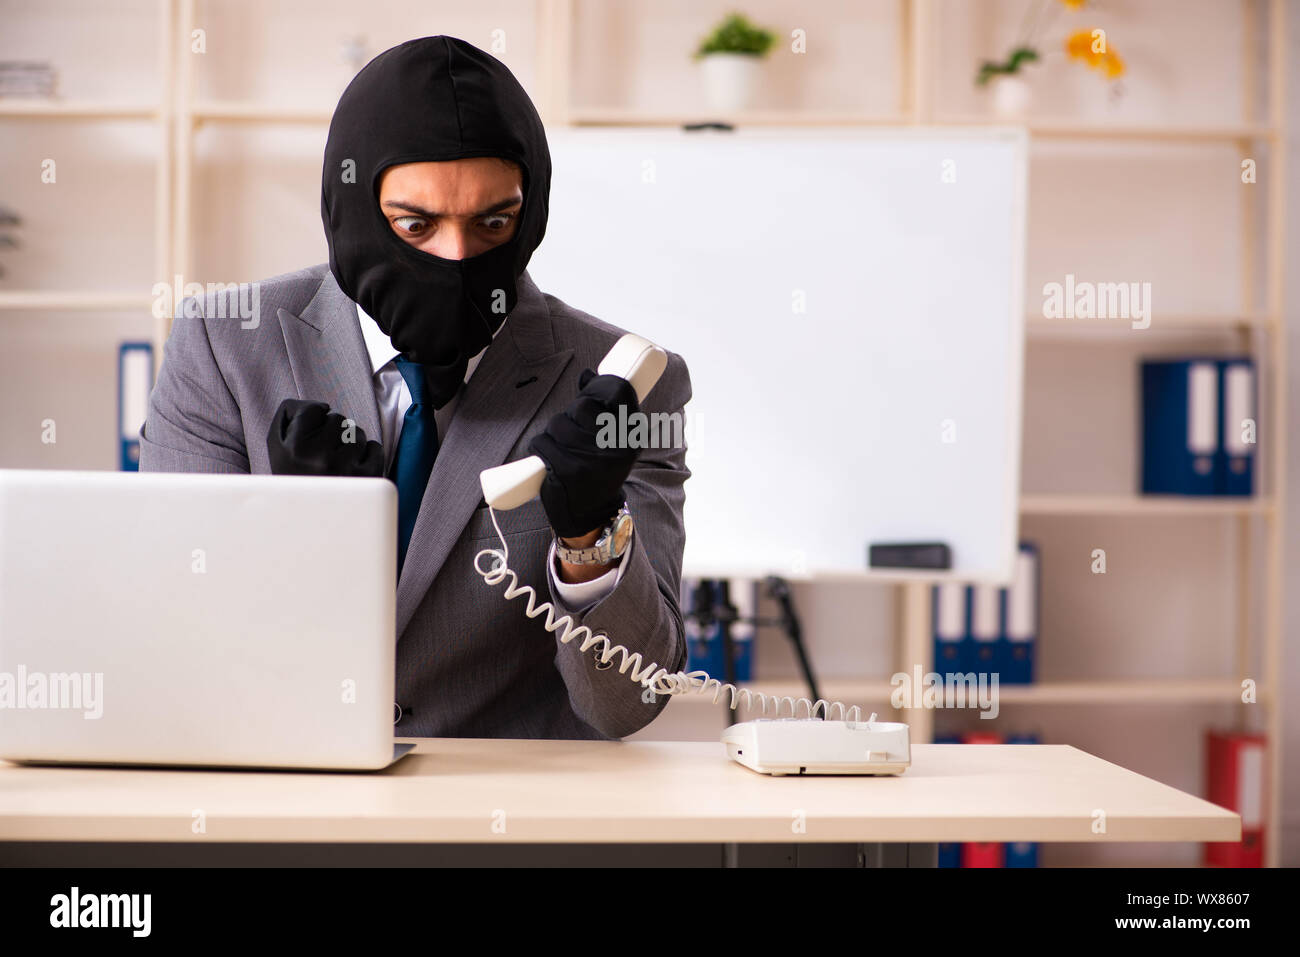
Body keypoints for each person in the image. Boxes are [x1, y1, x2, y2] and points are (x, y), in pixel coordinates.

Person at [139, 35, 692, 740]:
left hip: (504, 823)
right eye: (415, 224)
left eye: (494, 222)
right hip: (281, 795)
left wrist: (589, 535)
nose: (457, 256)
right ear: (352, 208)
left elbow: (627, 704)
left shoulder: (628, 386)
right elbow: (174, 640)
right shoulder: (223, 345)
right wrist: (296, 535)